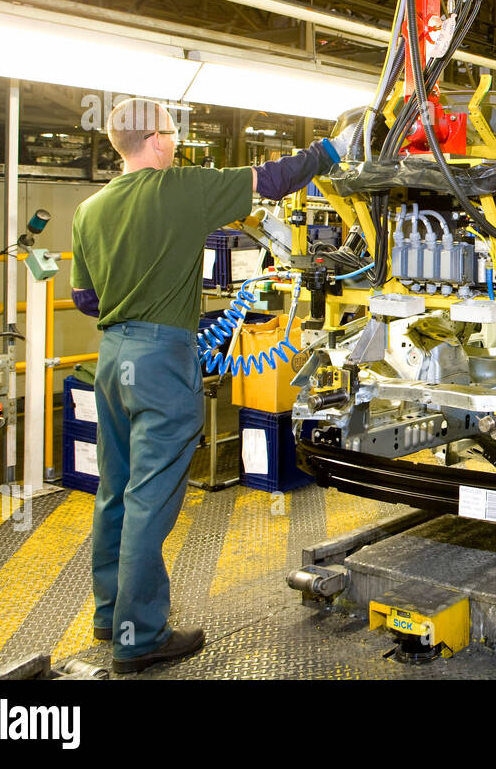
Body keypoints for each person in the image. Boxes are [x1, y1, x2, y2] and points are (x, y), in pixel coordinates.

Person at [70, 98, 352, 674]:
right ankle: (139, 637)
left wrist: (136, 297)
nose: (176, 142)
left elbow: (86, 299)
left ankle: (109, 615)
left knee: (115, 490)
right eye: (171, 133)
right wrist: (332, 151)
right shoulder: (182, 189)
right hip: (160, 360)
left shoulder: (88, 210)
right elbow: (271, 178)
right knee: (150, 501)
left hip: (112, 357)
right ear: (154, 140)